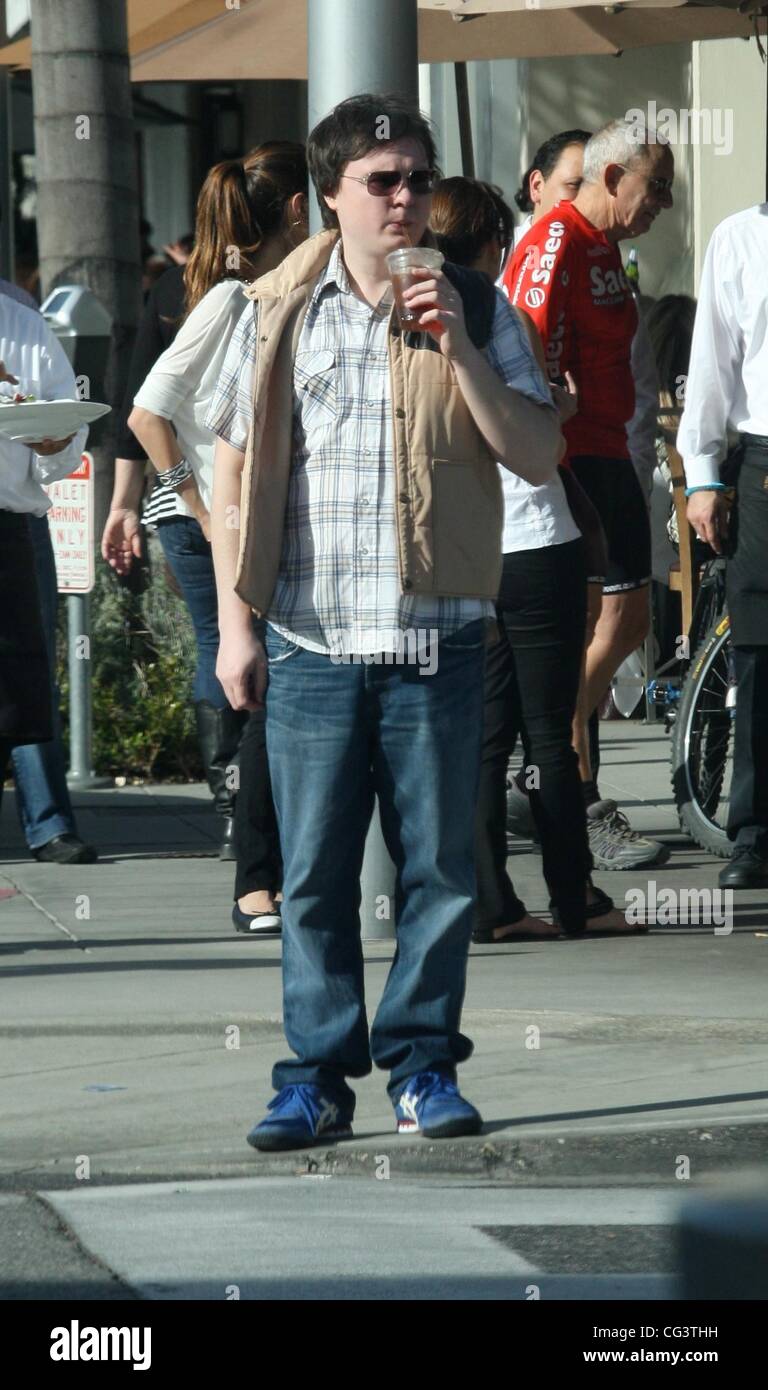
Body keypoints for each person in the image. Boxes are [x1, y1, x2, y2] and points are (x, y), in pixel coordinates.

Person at [207, 93, 563, 1151]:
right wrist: (237, 627)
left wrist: (456, 345)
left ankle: (420, 1067)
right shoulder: (275, 306)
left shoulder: (479, 305)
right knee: (311, 876)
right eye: (382, 181)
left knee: (442, 873)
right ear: (333, 194)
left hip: (438, 640)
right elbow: (229, 470)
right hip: (312, 643)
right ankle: (314, 1077)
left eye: (416, 177)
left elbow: (538, 452)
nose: (406, 198)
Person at [105, 145, 307, 934]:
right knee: (263, 695)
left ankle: (269, 874)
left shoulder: (259, 292)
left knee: (276, 695)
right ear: (298, 209)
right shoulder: (233, 298)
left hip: (242, 523)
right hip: (220, 526)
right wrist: (194, 500)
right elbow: (145, 413)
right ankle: (256, 881)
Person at [431, 176, 632, 939]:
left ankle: (491, 904)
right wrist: (561, 404)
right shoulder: (496, 313)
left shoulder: (409, 320)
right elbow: (535, 435)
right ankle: (573, 895)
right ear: (490, 245)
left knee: (483, 736)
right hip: (536, 539)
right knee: (551, 731)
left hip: (468, 549)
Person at [504, 117, 674, 871]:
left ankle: (557, 733)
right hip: (572, 455)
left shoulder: (607, 247)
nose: (664, 203)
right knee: (593, 623)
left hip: (612, 450)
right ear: (613, 177)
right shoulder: (557, 238)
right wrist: (547, 415)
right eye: (657, 187)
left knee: (631, 620)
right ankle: (564, 777)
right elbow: (520, 331)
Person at [678, 205, 768, 888]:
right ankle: (756, 831)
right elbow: (712, 360)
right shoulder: (741, 236)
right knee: (760, 648)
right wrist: (703, 474)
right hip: (764, 455)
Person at [0, 306, 89, 850]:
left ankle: (49, 823)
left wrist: (55, 442)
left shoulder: (25, 330)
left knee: (22, 685)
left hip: (8, 526)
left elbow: (66, 424)